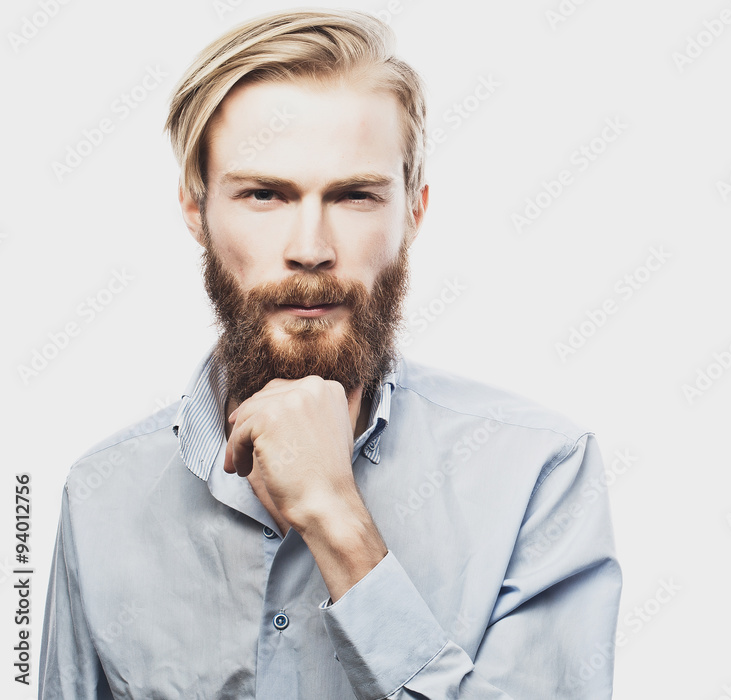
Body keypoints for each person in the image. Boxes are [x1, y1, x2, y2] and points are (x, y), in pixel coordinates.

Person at [38, 10, 622, 699]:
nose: (310, 247)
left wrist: (339, 524)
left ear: (414, 212)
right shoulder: (101, 497)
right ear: (196, 210)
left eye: (353, 196)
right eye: (264, 194)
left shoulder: (539, 475)